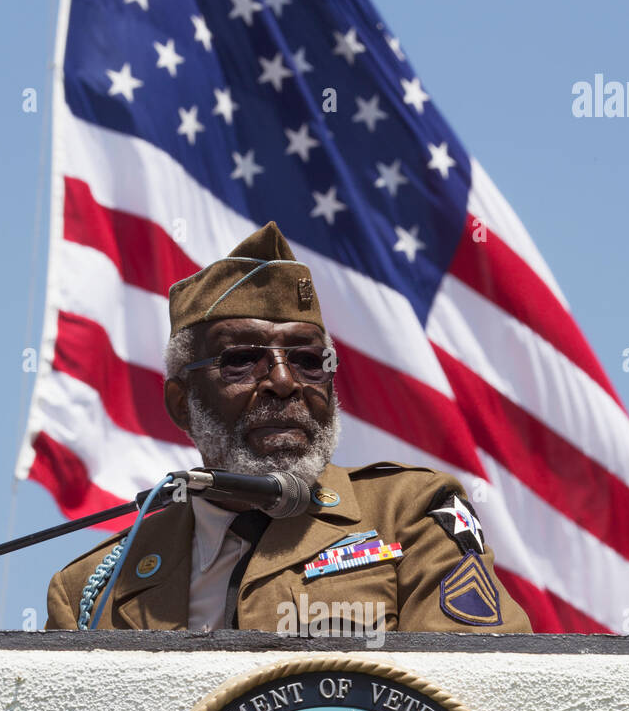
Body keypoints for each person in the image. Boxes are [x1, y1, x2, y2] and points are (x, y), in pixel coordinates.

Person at [45, 222, 532, 636]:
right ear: (182, 403)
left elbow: (472, 700)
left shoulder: (411, 514)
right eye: (241, 361)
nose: (283, 381)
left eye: (308, 360)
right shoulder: (93, 589)